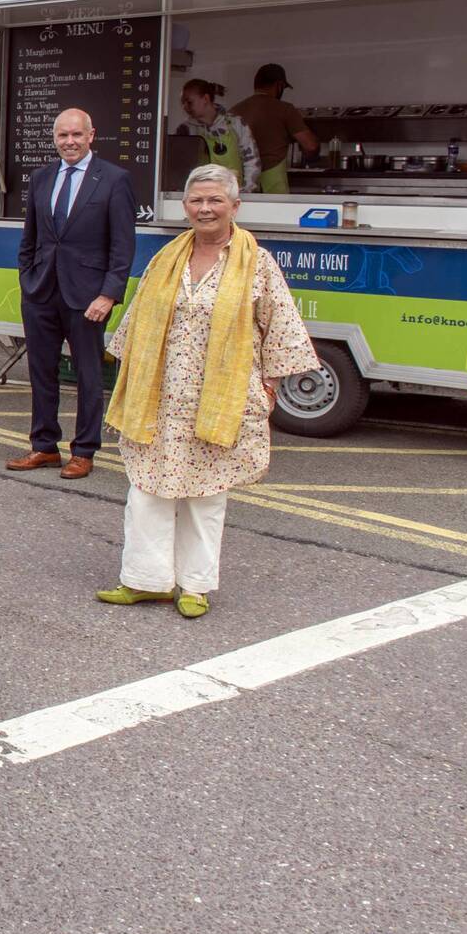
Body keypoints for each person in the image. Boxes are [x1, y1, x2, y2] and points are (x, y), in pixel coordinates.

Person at [100, 164, 318, 618]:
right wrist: (127, 379)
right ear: (185, 207)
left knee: (204, 494)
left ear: (235, 206)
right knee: (148, 490)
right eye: (197, 200)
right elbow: (137, 325)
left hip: (219, 398)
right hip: (160, 396)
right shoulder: (167, 258)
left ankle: (195, 586)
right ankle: (146, 580)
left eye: (215, 200)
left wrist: (269, 388)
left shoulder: (256, 263)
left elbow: (280, 328)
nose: (205, 208)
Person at [8, 108, 136, 481]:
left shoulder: (114, 180)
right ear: (55, 138)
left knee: (88, 376)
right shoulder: (42, 178)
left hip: (88, 297)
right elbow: (31, 237)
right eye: (63, 135)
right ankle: (45, 446)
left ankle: (84, 451)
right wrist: (27, 278)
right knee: (41, 372)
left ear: (91, 135)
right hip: (41, 292)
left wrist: (109, 295)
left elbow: (122, 246)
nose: (69, 142)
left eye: (76, 135)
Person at [230, 63, 318, 195]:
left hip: (242, 183)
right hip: (273, 183)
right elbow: (310, 145)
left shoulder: (234, 111)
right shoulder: (285, 109)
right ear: (279, 85)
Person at [179, 78, 261, 194]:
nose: (185, 107)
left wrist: (247, 190)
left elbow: (252, 161)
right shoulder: (185, 130)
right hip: (201, 195)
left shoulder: (236, 124)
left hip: (233, 195)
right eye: (182, 103)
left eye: (189, 102)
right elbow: (179, 168)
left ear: (206, 99)